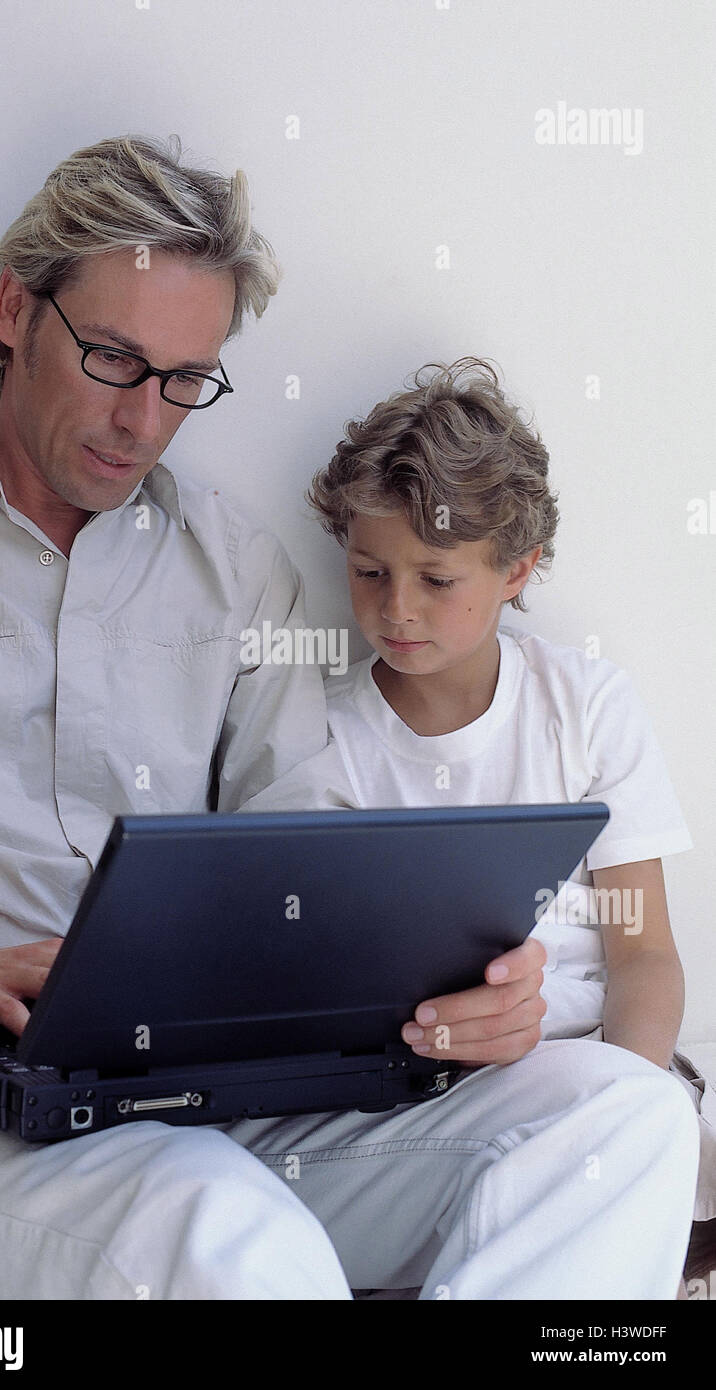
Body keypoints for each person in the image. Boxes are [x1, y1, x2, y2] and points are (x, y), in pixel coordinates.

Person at [0, 136, 699, 1301]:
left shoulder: (232, 567)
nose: (145, 422)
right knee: (225, 1235)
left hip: (208, 1091)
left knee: (628, 1117)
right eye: (114, 360)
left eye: (184, 381)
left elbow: (304, 864)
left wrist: (466, 981)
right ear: (15, 308)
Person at [283, 355, 714, 1288]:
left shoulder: (584, 703)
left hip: (591, 1073)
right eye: (368, 571)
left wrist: (624, 1090)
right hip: (421, 1102)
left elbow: (645, 954)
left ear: (517, 570)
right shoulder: (318, 737)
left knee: (642, 1124)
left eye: (437, 580)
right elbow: (324, 999)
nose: (395, 609)